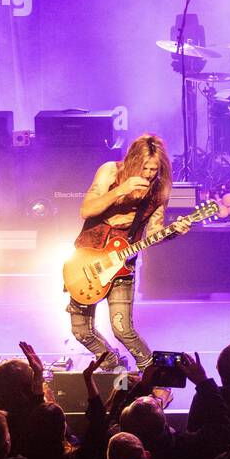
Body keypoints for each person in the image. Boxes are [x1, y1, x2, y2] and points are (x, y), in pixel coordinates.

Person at [68, 133, 191, 371]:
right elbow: (86, 210)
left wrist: (173, 231)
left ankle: (153, 376)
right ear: (133, 161)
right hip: (87, 259)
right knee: (81, 330)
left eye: (154, 169)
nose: (148, 174)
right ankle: (113, 366)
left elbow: (154, 232)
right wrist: (120, 190)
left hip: (123, 262)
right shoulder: (110, 172)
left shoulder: (159, 190)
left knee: (123, 330)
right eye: (144, 167)